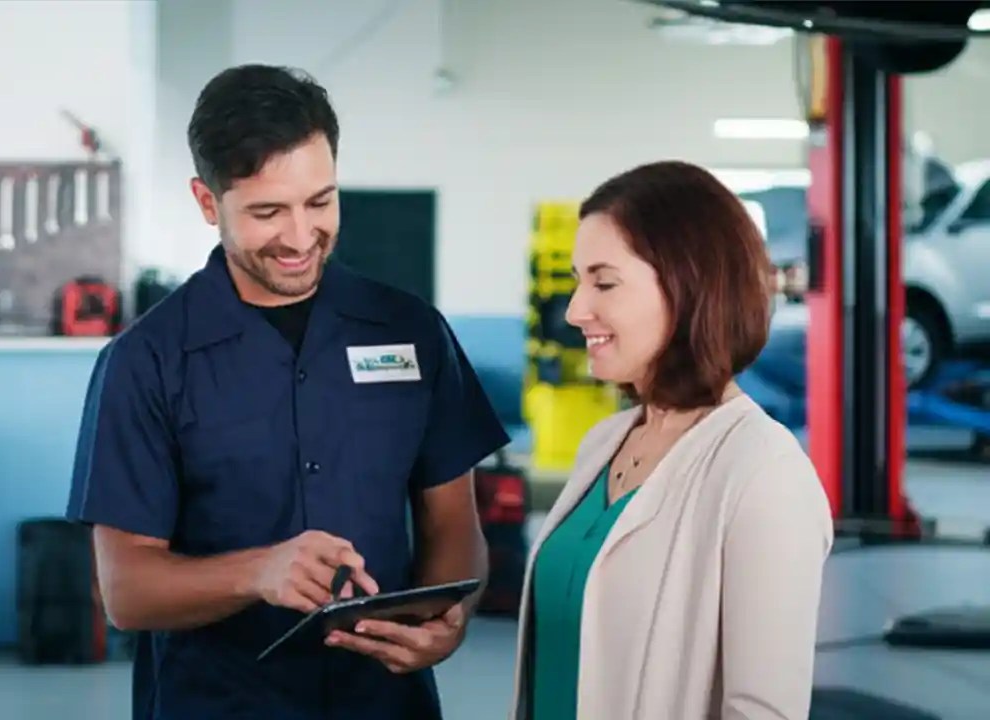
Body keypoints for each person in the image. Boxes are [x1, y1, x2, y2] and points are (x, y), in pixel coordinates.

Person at [66, 63, 510, 720]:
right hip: (217, 706)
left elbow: (452, 523)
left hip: (385, 705)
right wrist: (259, 572)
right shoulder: (146, 362)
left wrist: (450, 617)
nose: (301, 238)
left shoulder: (411, 332)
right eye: (268, 212)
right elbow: (126, 591)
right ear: (207, 202)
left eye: (319, 202)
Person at [508, 160, 834, 719]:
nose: (575, 310)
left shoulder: (763, 471)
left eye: (604, 283)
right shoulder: (603, 443)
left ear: (687, 287)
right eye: (577, 280)